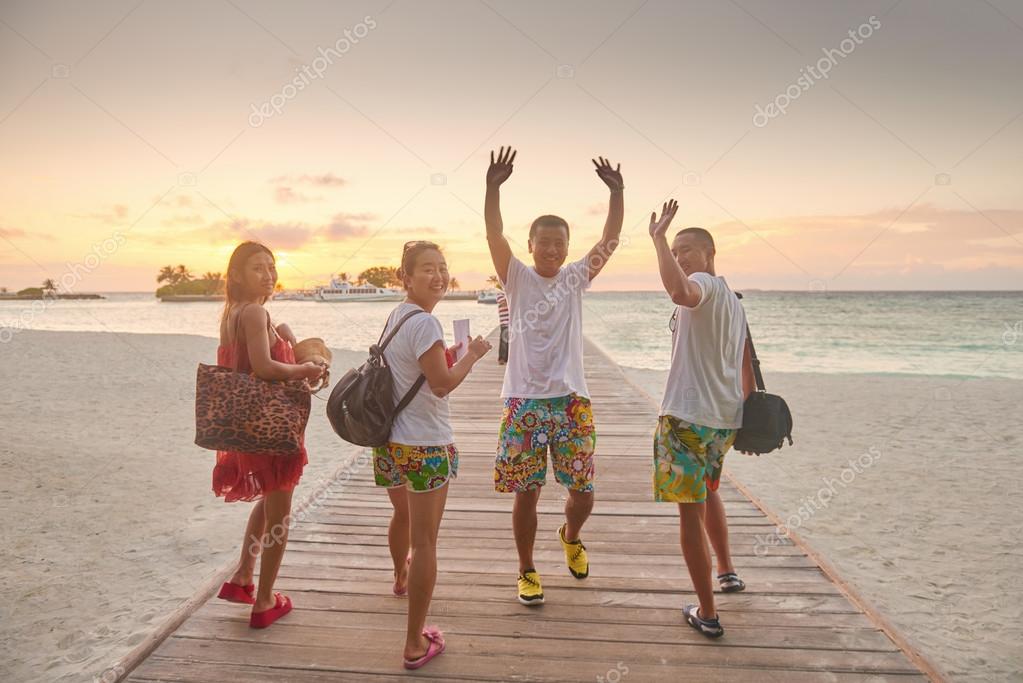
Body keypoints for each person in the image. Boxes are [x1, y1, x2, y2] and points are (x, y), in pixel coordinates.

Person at [484, 146, 624, 605]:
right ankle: (526, 569)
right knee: (526, 493)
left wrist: (617, 193)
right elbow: (494, 231)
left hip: (571, 400)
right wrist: (492, 187)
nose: (552, 249)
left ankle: (571, 534)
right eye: (543, 242)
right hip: (523, 400)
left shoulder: (575, 278)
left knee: (582, 491)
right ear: (530, 246)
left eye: (559, 242)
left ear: (567, 247)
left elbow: (609, 241)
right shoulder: (517, 278)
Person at [373, 240, 492, 669]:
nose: (439, 276)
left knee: (402, 518)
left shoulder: (396, 316)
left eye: (443, 268)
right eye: (427, 269)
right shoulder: (425, 323)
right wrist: (473, 356)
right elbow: (441, 384)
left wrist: (450, 358)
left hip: (391, 441)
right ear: (405, 277)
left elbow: (417, 373)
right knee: (425, 544)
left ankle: (400, 578)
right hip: (425, 444)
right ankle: (414, 643)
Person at [648, 200, 755, 638]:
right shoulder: (733, 298)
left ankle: (707, 613)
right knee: (708, 493)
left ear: (711, 254)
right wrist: (743, 412)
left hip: (687, 420)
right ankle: (727, 571)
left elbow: (680, 292)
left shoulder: (703, 286)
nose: (680, 257)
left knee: (689, 514)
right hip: (721, 422)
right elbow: (745, 360)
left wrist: (655, 239)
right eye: (675, 250)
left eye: (687, 249)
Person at [212, 241, 326, 629]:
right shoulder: (256, 311)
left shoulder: (234, 312)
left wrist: (290, 340)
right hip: (271, 425)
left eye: (271, 267)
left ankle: (243, 575)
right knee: (281, 513)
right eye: (257, 268)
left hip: (246, 424)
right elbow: (263, 368)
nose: (268, 274)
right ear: (238, 276)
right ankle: (264, 601)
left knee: (270, 497)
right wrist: (305, 369)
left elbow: (250, 361)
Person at [496, 286, 510, 365]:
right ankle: (501, 358)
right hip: (504, 321)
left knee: (509, 341)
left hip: (511, 321)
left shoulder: (509, 294)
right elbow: (503, 302)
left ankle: (507, 358)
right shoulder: (499, 294)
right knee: (503, 341)